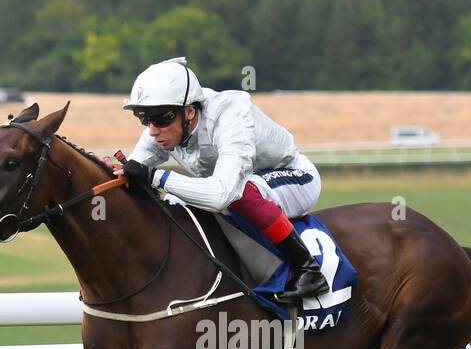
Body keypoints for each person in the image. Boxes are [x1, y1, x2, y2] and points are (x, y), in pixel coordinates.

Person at [112, 57, 328, 302]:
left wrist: (155, 176)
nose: (152, 130)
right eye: (144, 118)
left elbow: (223, 195)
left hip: (294, 176)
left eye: (161, 119)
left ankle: (308, 269)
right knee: (174, 201)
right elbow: (135, 168)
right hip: (239, 183)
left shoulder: (230, 114)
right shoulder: (169, 120)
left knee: (240, 196)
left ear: (190, 112)